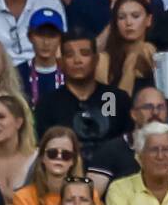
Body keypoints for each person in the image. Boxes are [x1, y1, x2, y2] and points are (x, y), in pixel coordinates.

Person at [35, 32, 131, 164]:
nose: (77, 61)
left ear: (96, 59)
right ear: (60, 62)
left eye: (85, 53)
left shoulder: (116, 98)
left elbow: (128, 144)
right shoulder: (48, 104)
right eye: (69, 55)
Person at [87, 80, 168, 192]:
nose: (155, 112)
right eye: (148, 107)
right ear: (133, 114)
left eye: (160, 107)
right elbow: (91, 200)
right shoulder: (110, 151)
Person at [96, 0, 155, 94]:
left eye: (135, 16)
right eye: (121, 17)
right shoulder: (104, 60)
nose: (128, 23)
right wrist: (129, 66)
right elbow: (108, 109)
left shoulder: (153, 53)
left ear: (148, 20)